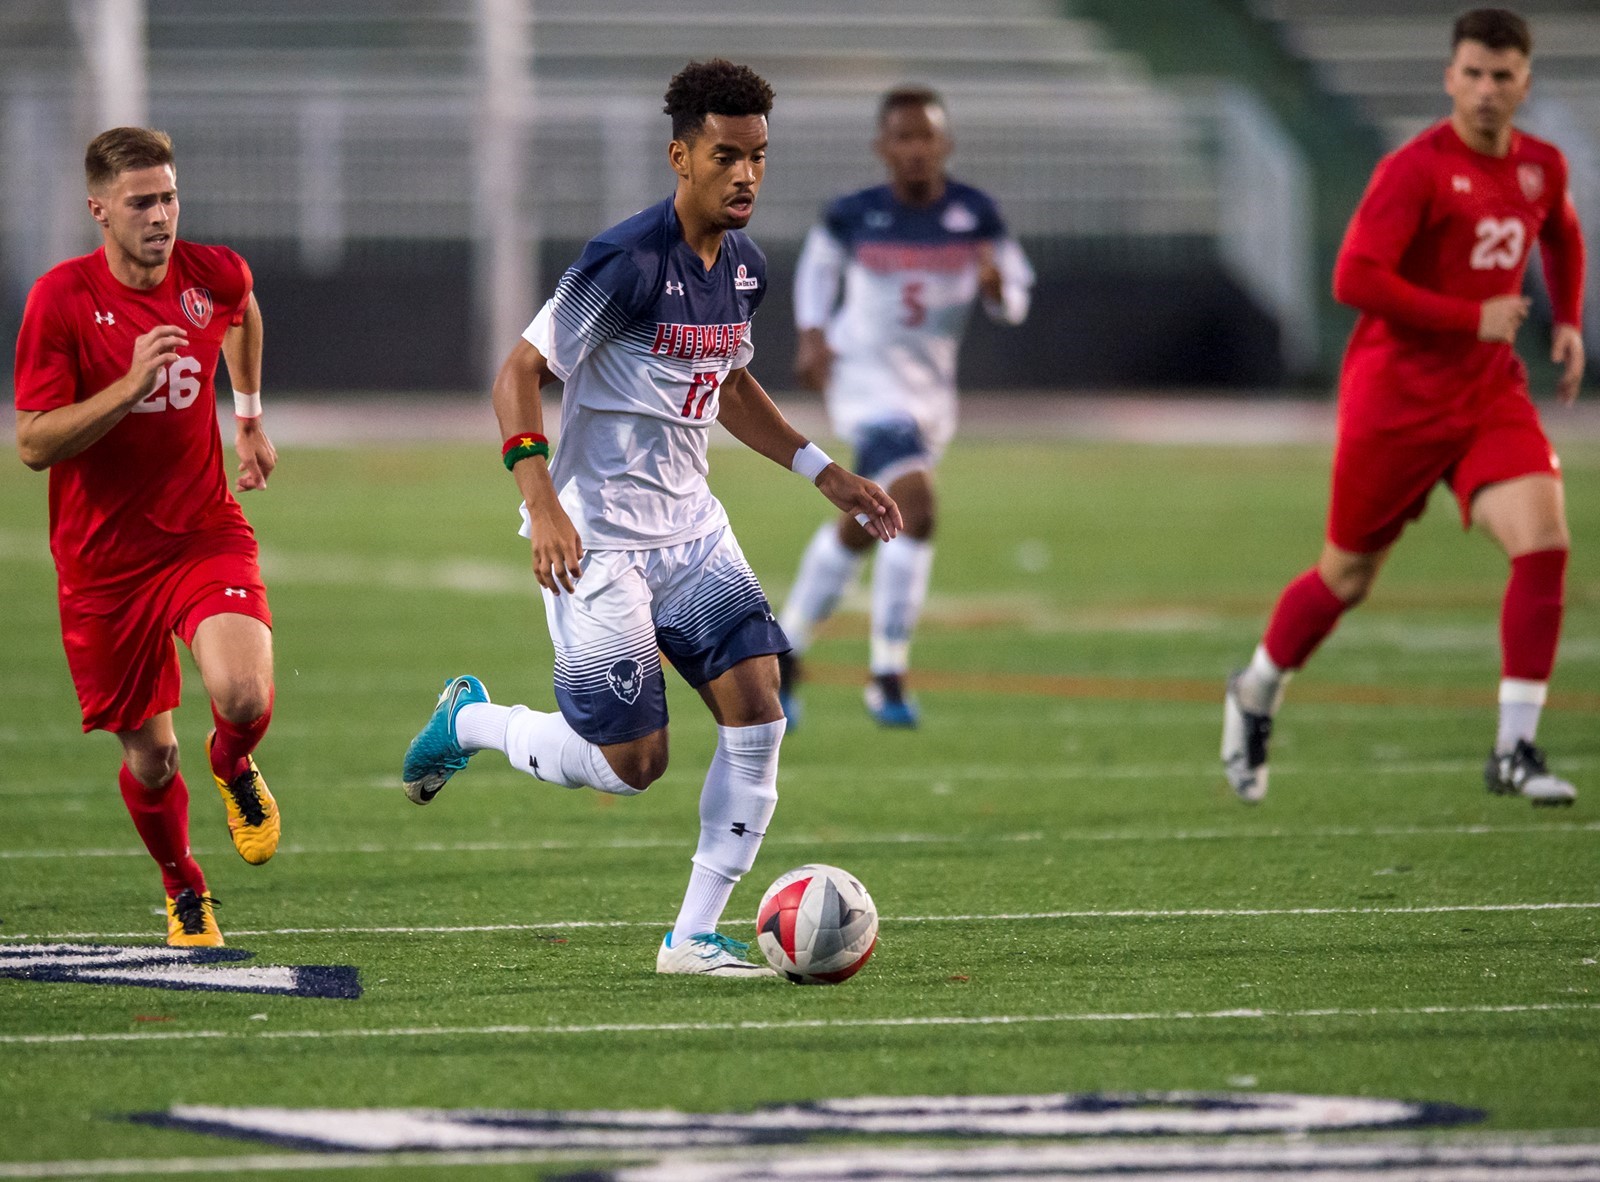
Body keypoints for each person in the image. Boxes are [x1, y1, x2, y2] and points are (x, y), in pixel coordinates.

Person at [401, 60, 901, 977]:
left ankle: (692, 937)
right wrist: (542, 503)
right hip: (596, 540)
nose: (746, 175)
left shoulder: (743, 269)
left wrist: (822, 470)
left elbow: (730, 383)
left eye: (758, 157)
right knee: (634, 763)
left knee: (760, 714)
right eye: (726, 156)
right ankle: (471, 720)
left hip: (694, 532)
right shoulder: (623, 263)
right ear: (681, 157)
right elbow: (517, 373)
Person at [1222, 8, 1586, 807]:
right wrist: (1470, 316)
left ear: (1525, 83)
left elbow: (1560, 232)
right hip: (1396, 400)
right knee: (1345, 577)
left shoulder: (1541, 167)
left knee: (1545, 542)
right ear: (1450, 78)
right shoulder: (1416, 169)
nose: (1487, 90)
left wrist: (1565, 320)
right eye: (1473, 74)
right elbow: (1353, 278)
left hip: (1488, 394)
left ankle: (1515, 747)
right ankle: (1255, 688)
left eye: (1502, 76)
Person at [13, 127, 283, 946]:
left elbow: (243, 310)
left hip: (202, 530)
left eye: (168, 197)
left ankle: (233, 763)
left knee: (244, 695)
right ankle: (183, 886)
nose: (161, 215)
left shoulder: (212, 273)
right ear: (99, 210)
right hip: (103, 565)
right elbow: (32, 443)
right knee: (153, 762)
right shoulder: (59, 300)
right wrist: (127, 388)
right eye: (141, 203)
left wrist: (249, 418)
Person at [776, 85, 1033, 729]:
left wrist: (1001, 289)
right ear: (882, 148)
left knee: (866, 518)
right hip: (863, 378)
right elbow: (816, 270)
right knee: (915, 504)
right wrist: (812, 335)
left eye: (927, 136)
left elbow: (1017, 292)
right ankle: (887, 673)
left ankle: (785, 652)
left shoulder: (975, 213)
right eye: (904, 137)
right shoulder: (854, 213)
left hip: (930, 395)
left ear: (945, 145)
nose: (916, 149)